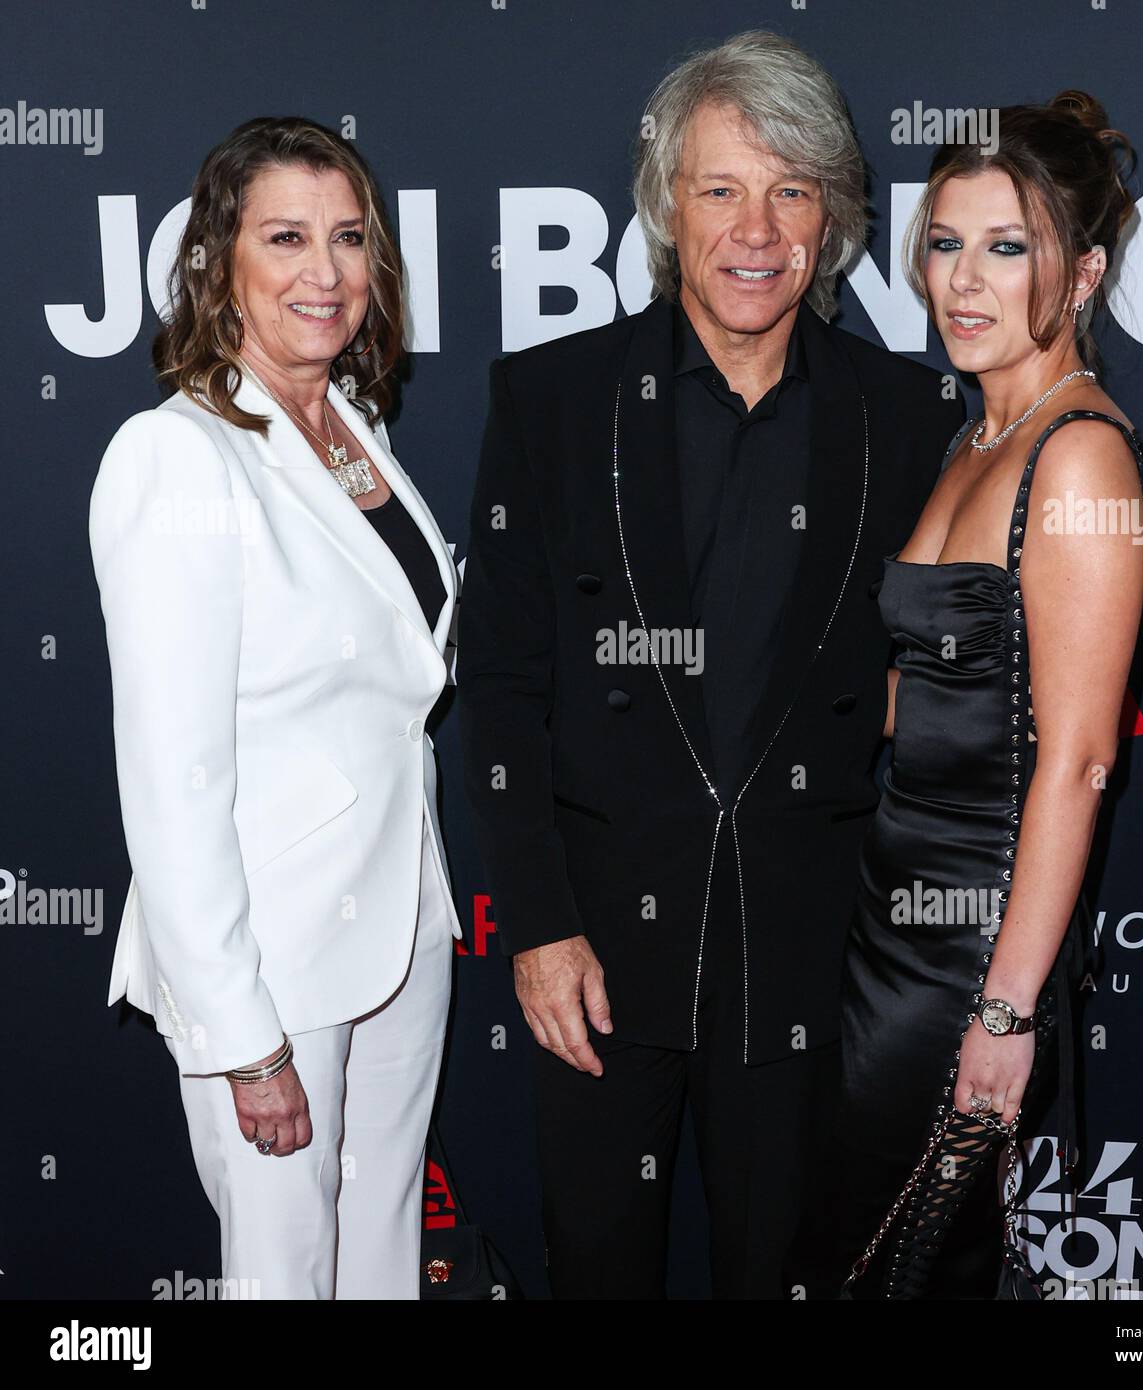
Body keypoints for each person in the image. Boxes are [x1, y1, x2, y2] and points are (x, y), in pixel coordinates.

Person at [456, 30, 964, 1299]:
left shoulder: (901, 419)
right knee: (602, 1272)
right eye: (721, 188)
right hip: (600, 961)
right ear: (665, 208)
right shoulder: (553, 403)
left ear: (833, 219)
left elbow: (940, 678)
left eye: (793, 190)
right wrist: (540, 925)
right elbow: (506, 680)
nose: (756, 227)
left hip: (804, 947)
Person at [88, 117, 462, 1299]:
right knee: (282, 1276)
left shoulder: (355, 429)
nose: (326, 272)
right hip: (272, 956)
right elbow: (174, 775)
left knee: (381, 1248)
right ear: (217, 263)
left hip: (399, 916)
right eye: (287, 237)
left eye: (348, 238)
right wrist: (242, 1035)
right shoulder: (176, 457)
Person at [786, 91, 1143, 1299]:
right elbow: (916, 699)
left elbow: (1081, 758)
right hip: (888, 917)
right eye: (945, 244)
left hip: (967, 950)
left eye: (1009, 249)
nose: (963, 282)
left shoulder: (1081, 455)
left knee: (891, 1265)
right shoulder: (974, 433)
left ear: (1085, 273)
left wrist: (1003, 1010)